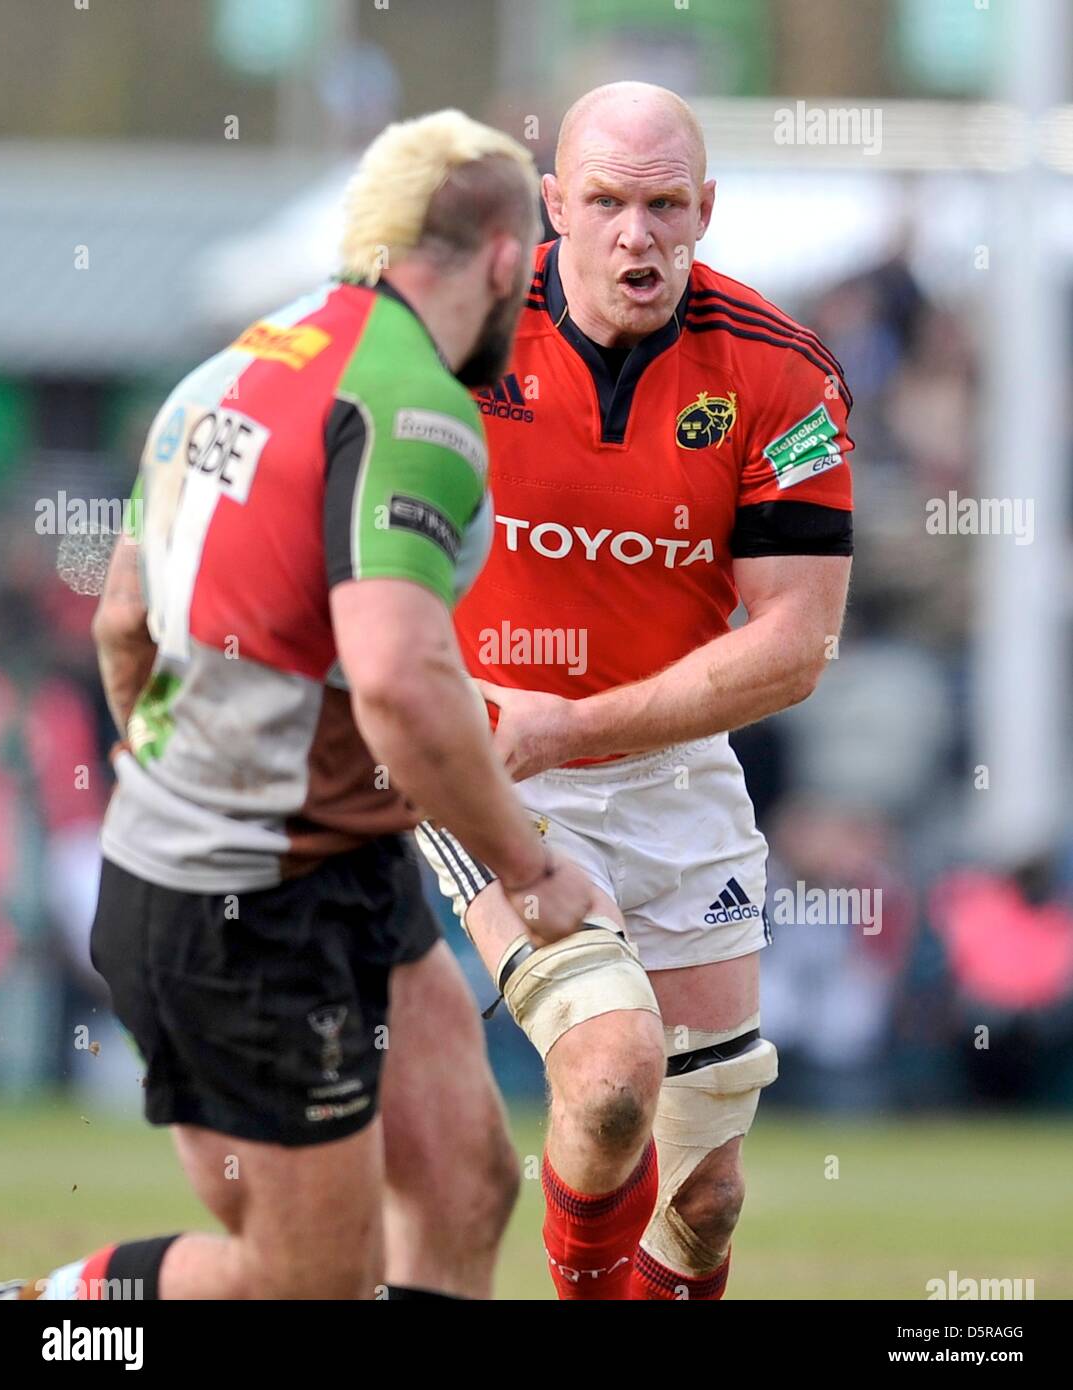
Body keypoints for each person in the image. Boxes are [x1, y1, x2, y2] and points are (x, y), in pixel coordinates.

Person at [0, 108, 593, 1303]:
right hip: (244, 905)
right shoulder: (414, 406)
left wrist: (180, 772)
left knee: (471, 1180)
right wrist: (525, 869)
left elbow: (122, 620)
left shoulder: (230, 365)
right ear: (497, 258)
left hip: (327, 866)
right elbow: (398, 685)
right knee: (305, 1280)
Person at [415, 82, 855, 1300]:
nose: (635, 235)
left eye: (665, 205)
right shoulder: (459, 337)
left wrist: (587, 723)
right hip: (494, 756)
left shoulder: (780, 375)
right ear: (552, 204)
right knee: (611, 1081)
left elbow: (796, 644)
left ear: (705, 209)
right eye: (604, 201)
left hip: (669, 765)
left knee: (705, 1199)